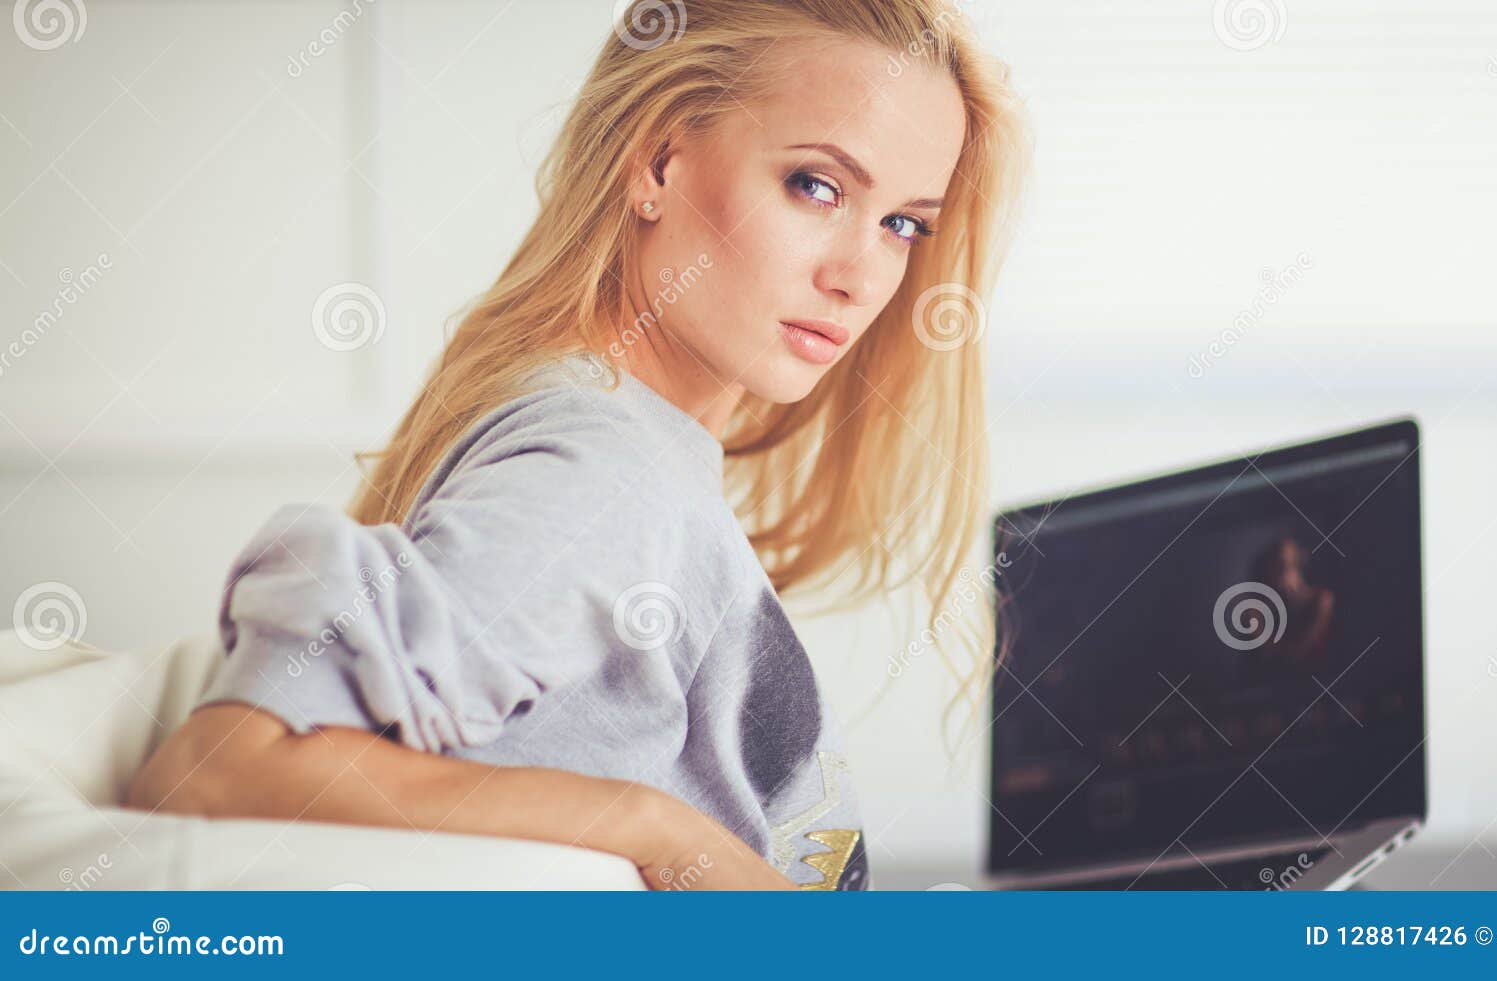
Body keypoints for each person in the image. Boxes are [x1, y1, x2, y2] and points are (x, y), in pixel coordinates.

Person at [124, 0, 1030, 891]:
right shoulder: (605, 471)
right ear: (660, 162)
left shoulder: (627, 446)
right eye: (817, 186)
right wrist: (656, 828)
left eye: (904, 223)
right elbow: (216, 771)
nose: (860, 275)